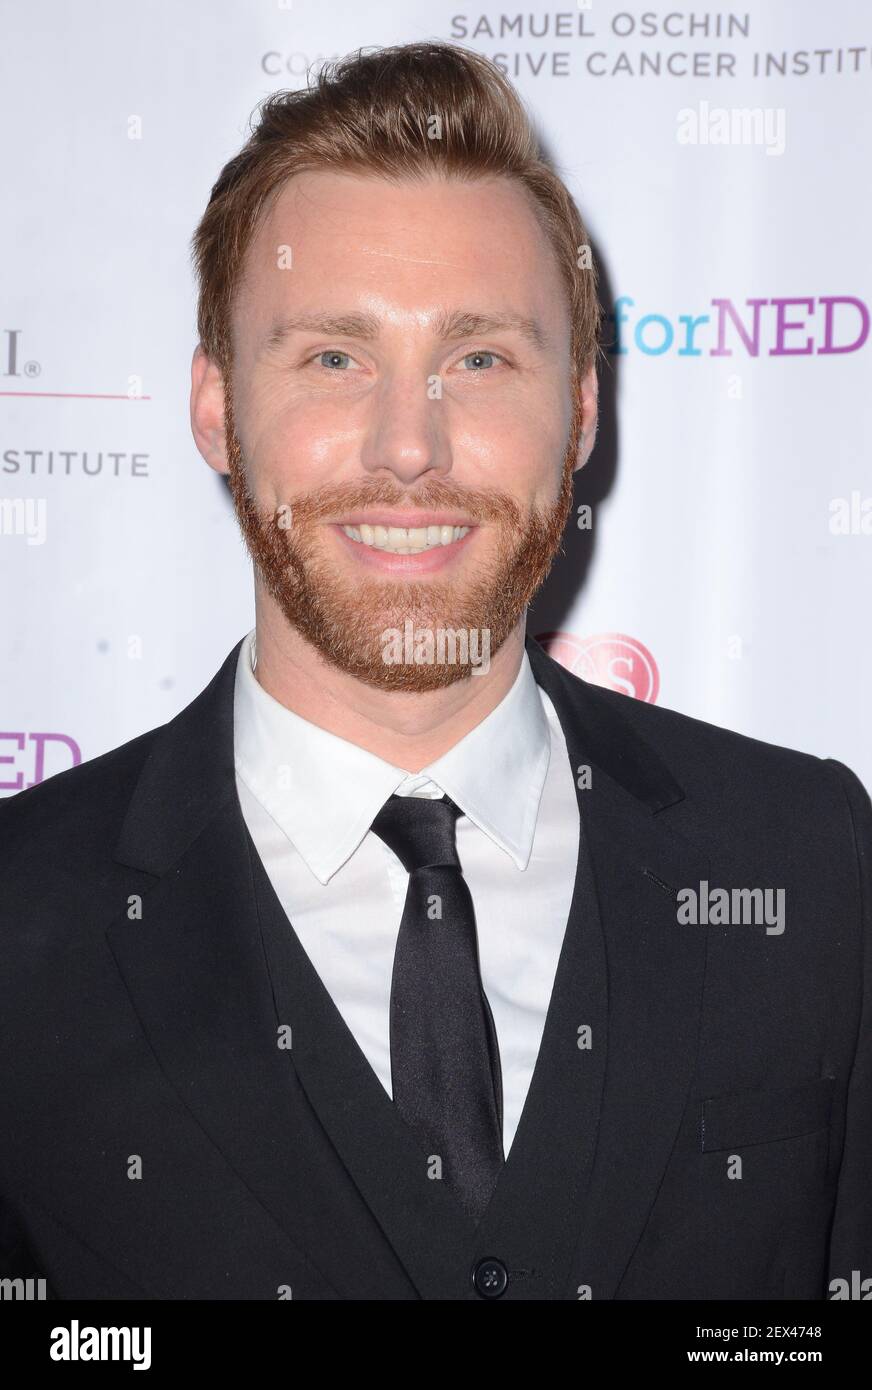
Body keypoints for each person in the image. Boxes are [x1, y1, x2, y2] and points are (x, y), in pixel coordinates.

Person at [1, 41, 869, 1302]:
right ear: (213, 409)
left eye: (479, 358)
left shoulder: (806, 863)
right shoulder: (23, 925)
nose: (409, 448)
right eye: (332, 358)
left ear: (578, 412)